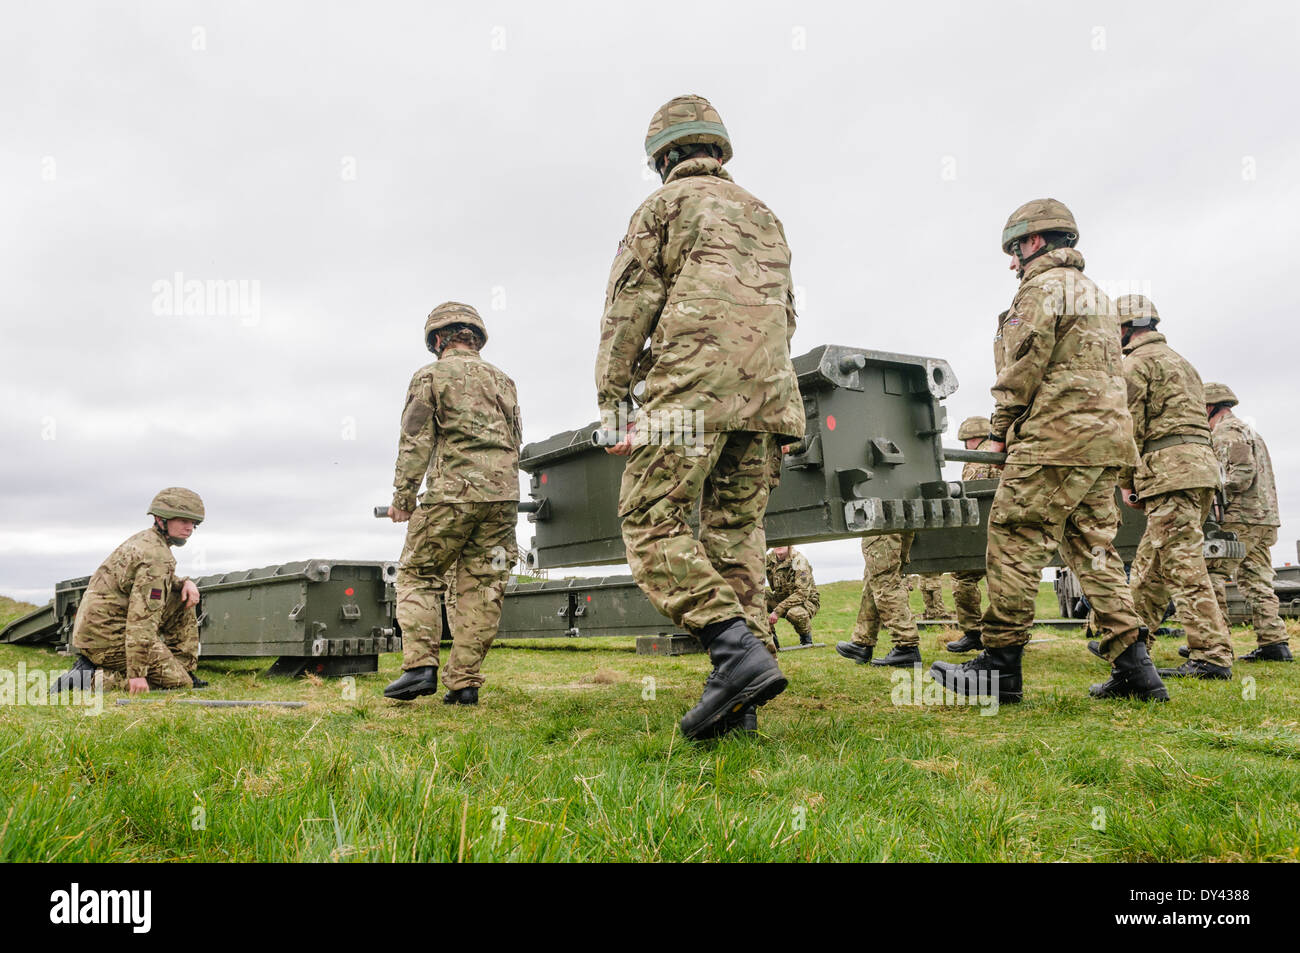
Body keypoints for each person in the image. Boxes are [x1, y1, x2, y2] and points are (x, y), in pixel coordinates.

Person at [596, 94, 804, 740]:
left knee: (649, 521)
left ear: (664, 158)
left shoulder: (662, 209)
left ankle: (732, 648)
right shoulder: (766, 217)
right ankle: (741, 696)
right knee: (736, 536)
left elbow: (628, 310)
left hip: (691, 389)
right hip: (768, 398)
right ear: (718, 150)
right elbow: (787, 315)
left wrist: (613, 401)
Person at [930, 199, 1168, 703]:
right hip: (1106, 444)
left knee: (1015, 540)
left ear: (1034, 241)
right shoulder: (1099, 298)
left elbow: (1020, 367)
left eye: (1015, 249)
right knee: (1094, 553)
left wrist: (1000, 429)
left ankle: (999, 668)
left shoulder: (1041, 291)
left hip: (1055, 439)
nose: (1012, 262)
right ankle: (1138, 671)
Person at [383, 301, 522, 705]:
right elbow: (516, 439)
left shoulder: (429, 376)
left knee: (417, 573)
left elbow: (415, 440)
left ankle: (419, 668)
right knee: (483, 586)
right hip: (503, 499)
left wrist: (403, 498)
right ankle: (465, 685)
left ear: (438, 339)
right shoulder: (505, 381)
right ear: (475, 338)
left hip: (452, 494)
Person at [1112, 295, 1233, 679]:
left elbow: (1129, 428)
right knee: (1151, 565)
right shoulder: (1184, 363)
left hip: (1168, 474)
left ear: (1124, 328)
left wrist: (1126, 482)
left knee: (1183, 566)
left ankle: (1211, 655)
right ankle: (1130, 646)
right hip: (1199, 472)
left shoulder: (1135, 364)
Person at [53, 488, 206, 695]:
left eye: (193, 524)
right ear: (162, 519)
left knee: (181, 600)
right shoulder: (155, 556)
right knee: (180, 685)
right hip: (106, 637)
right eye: (183, 521)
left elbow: (143, 581)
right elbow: (141, 620)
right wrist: (137, 673)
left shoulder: (148, 541)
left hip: (99, 628)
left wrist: (184, 583)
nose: (189, 528)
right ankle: (87, 677)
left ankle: (182, 670)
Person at [1201, 383, 1291, 662]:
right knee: (1257, 580)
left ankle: (1216, 644)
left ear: (1208, 408)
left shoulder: (1227, 431)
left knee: (1211, 572)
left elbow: (1239, 474)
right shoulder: (1249, 430)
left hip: (1240, 518)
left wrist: (1209, 492)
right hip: (1263, 518)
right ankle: (1274, 643)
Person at [946, 415, 1002, 653]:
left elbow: (971, 493)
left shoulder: (979, 457)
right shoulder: (1000, 450)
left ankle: (973, 632)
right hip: (1004, 530)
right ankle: (1005, 634)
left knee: (963, 577)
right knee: (1001, 581)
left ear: (973, 438)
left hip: (984, 531)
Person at [837, 533, 922, 667]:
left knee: (885, 580)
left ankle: (906, 647)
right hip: (892, 522)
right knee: (875, 580)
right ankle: (863, 642)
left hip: (882, 524)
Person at [764, 546, 820, 647]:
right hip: (781, 598)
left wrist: (777, 611)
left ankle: (806, 639)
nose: (779, 545)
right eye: (776, 542)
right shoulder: (768, 559)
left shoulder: (799, 561)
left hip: (805, 602)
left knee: (795, 613)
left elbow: (802, 593)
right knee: (756, 597)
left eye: (783, 543)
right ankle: (771, 639)